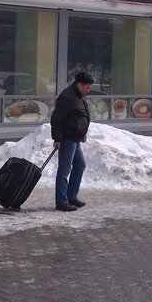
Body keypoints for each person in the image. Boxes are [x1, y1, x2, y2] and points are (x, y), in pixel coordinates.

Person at [49, 71, 94, 212]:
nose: (89, 90)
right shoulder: (68, 97)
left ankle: (71, 196)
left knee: (80, 165)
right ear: (79, 85)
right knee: (64, 170)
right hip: (67, 138)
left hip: (75, 138)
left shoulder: (78, 95)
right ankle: (61, 202)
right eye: (87, 87)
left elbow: (79, 116)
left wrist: (82, 133)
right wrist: (57, 138)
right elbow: (57, 118)